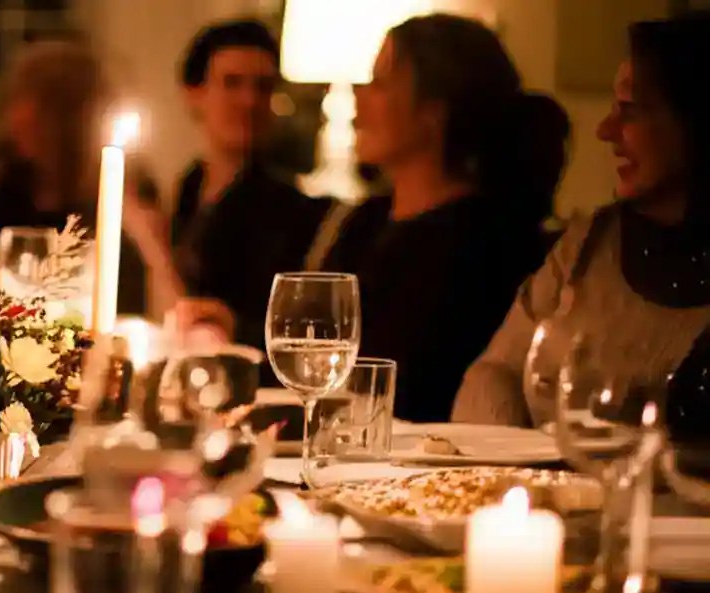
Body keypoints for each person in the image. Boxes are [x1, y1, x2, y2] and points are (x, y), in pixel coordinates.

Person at [453, 13, 710, 443]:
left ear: (696, 122)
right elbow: (493, 372)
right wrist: (516, 463)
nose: (605, 130)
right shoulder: (591, 243)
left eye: (630, 110)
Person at [312, 14, 570, 423]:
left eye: (380, 82)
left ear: (434, 111)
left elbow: (407, 390)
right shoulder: (366, 220)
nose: (359, 95)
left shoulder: (485, 246)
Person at [123, 20, 331, 352]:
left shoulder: (291, 212)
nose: (249, 100)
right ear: (194, 95)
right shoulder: (188, 188)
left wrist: (151, 245)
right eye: (232, 83)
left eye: (263, 87)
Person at [0, 40, 148, 315]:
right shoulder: (12, 183)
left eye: (34, 107)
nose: (14, 119)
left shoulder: (117, 196)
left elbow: (135, 303)